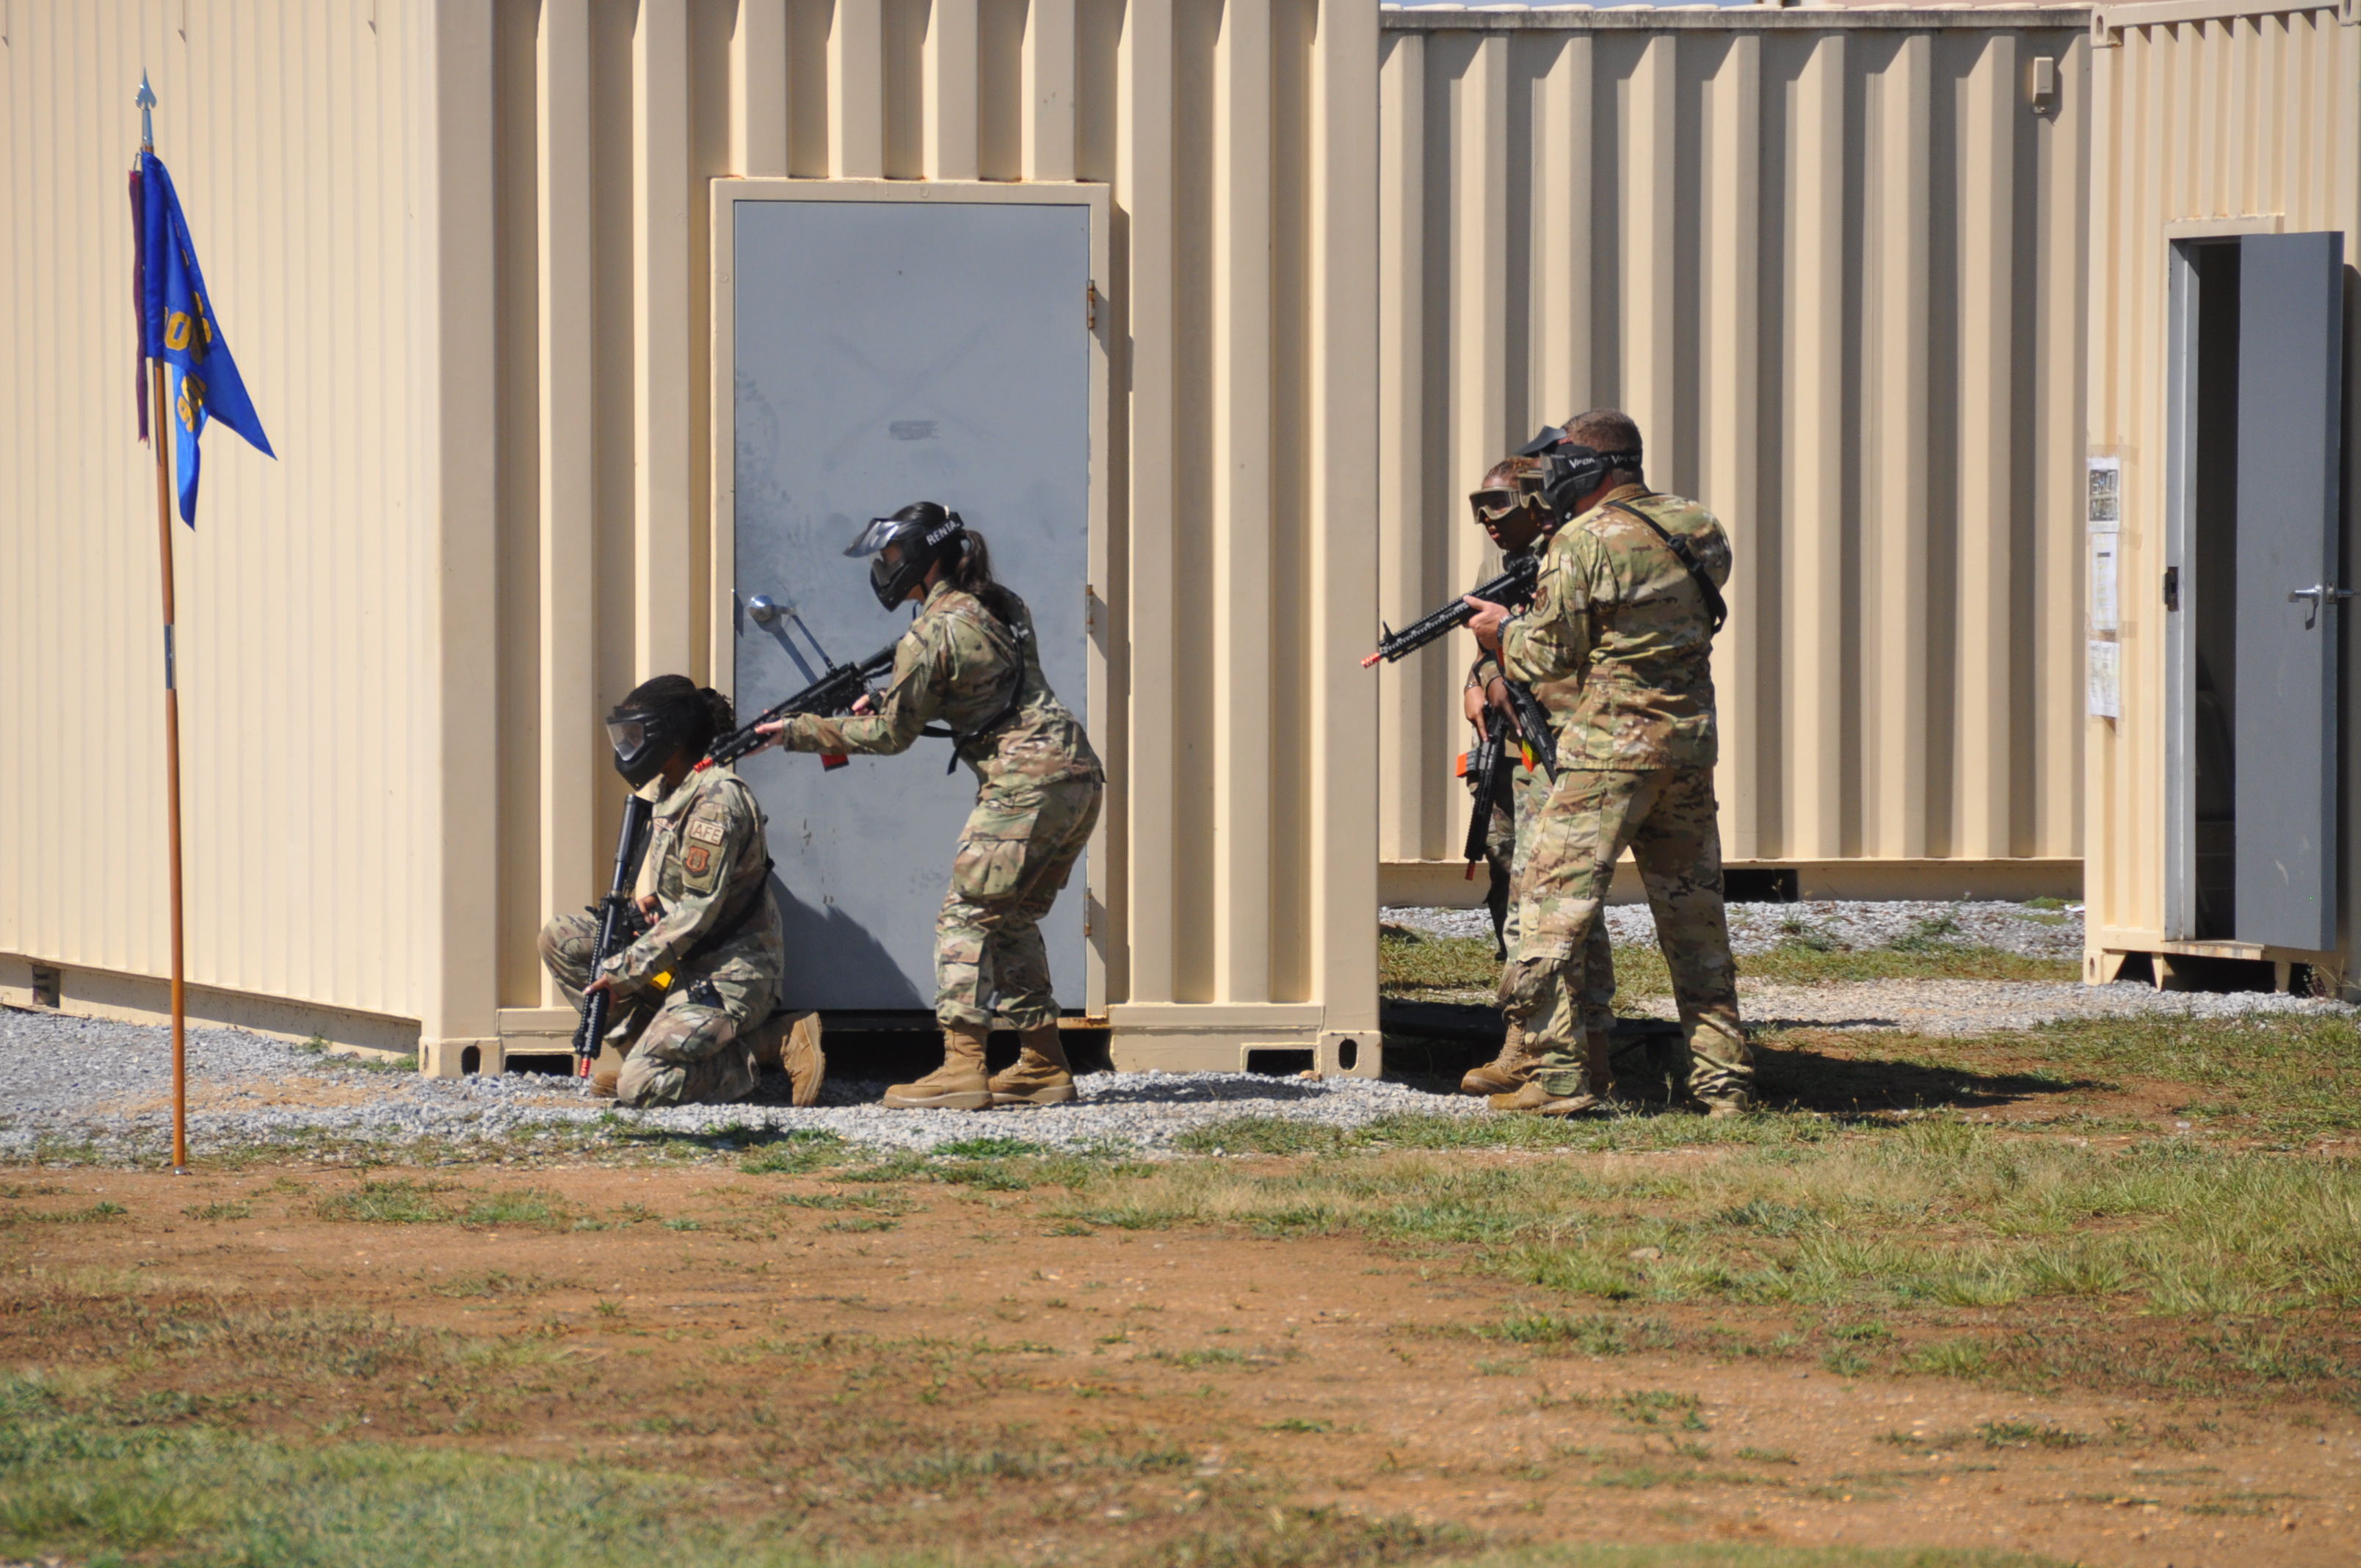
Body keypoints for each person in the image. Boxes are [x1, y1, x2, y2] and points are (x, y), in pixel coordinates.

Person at [754, 503, 1103, 1111]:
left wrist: (801, 731)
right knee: (1012, 919)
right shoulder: (1001, 605)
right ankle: (1044, 1065)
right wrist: (896, 698)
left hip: (1022, 783)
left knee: (964, 918)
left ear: (923, 558)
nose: (883, 569)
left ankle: (962, 1070)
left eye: (890, 557)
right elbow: (987, 685)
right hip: (1076, 775)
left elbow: (893, 737)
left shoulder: (929, 633)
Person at [1465, 410, 1752, 1117]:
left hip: (1605, 755)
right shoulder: (1699, 525)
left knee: (1547, 912)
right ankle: (1726, 1086)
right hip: (1686, 749)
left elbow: (1544, 657)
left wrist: (1500, 631)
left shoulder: (1582, 540)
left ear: (1589, 468)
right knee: (1696, 927)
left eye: (1560, 465)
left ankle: (1561, 1080)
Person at [538, 676, 824, 1108]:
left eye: (636, 735)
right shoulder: (673, 789)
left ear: (669, 737)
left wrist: (622, 973)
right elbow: (692, 896)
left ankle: (768, 1044)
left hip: (731, 973)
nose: (627, 747)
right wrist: (656, 905)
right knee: (562, 938)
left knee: (638, 1089)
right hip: (683, 962)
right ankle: (651, 1052)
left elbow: (696, 913)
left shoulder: (715, 799)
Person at [1457, 456, 1619, 1099]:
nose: (1485, 520)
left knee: (1561, 900)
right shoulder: (1499, 563)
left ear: (1535, 502)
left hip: (1562, 749)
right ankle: (1525, 1037)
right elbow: (1487, 643)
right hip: (1509, 750)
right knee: (1510, 884)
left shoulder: (1575, 552)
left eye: (1496, 504)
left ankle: (1579, 1049)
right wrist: (1483, 682)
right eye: (1478, 506)